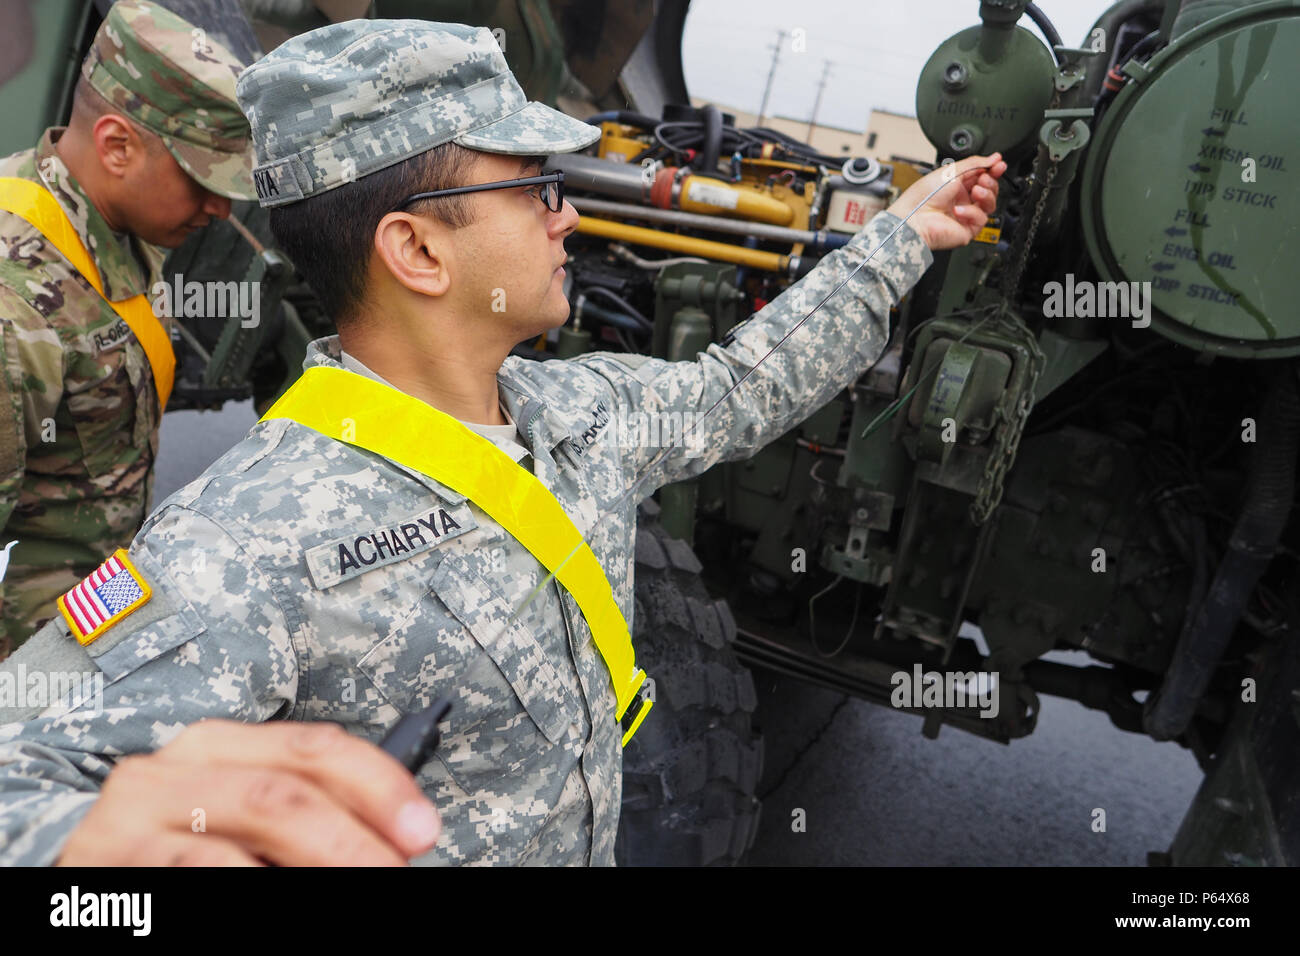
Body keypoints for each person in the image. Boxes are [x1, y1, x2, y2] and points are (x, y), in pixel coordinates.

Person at [0, 18, 1004, 866]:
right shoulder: (246, 546)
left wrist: (901, 237)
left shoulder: (577, 409)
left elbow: (738, 387)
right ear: (418, 249)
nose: (566, 220)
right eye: (534, 188)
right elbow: (23, 776)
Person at [0, 0, 255, 657]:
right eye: (201, 180)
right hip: (28, 674)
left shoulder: (108, 224)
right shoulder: (15, 314)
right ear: (117, 146)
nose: (220, 207)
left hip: (88, 618)